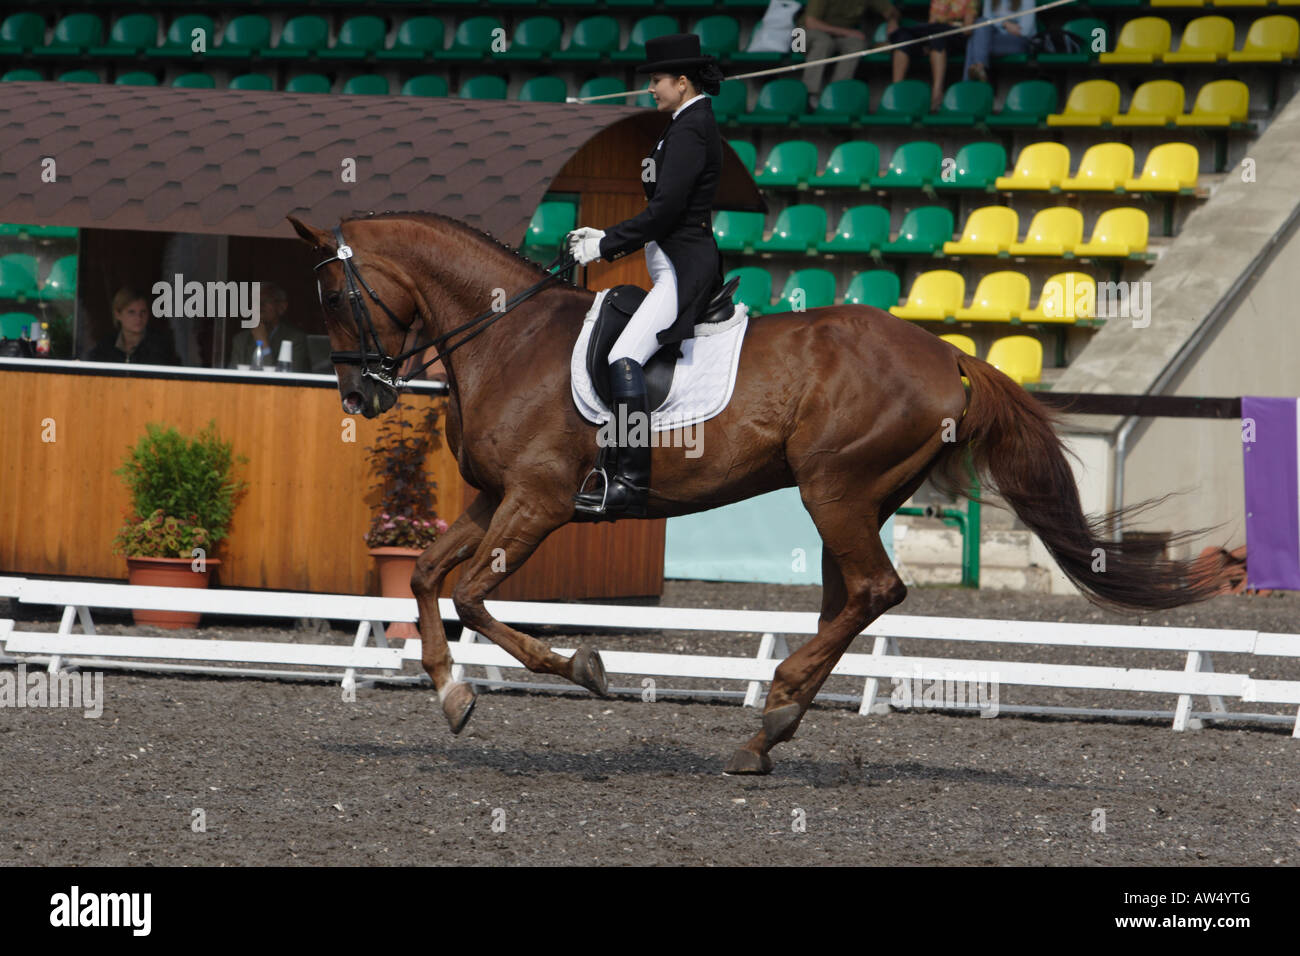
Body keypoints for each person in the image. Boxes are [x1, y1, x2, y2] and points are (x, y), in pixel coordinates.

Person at [566, 33, 726, 520]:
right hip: (672, 263)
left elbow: (666, 211)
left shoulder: (691, 129)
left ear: (682, 81)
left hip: (684, 268)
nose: (651, 88)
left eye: (657, 80)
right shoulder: (682, 125)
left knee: (624, 356)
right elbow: (661, 211)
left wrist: (605, 245)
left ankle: (630, 482)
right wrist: (606, 233)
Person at [800, 0, 901, 108]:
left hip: (836, 36)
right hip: (803, 35)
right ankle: (809, 94)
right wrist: (846, 32)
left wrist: (892, 20)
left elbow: (891, 11)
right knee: (824, 42)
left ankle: (836, 92)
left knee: (857, 44)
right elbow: (811, 22)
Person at [888, 0, 979, 110]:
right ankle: (896, 91)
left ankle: (936, 94)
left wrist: (943, 22)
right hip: (934, 32)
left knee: (937, 38)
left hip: (955, 36)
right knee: (903, 37)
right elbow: (932, 22)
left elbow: (967, 29)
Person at [228, 281, 310, 371]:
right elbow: (232, 378)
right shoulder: (241, 340)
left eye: (266, 301)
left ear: (282, 307)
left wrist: (263, 344)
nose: (260, 306)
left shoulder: (295, 339)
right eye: (255, 302)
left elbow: (289, 381)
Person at [87, 287, 179, 365]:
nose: (138, 318)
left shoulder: (161, 348)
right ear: (117, 314)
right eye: (131, 312)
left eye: (143, 312)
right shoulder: (104, 348)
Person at [963, 0, 1036, 83]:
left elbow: (1025, 31)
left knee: (974, 42)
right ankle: (979, 68)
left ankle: (971, 81)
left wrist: (998, 24)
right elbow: (986, 22)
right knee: (980, 25)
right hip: (994, 38)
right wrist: (1004, 24)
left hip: (1020, 41)